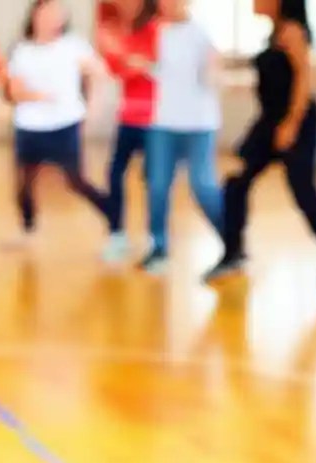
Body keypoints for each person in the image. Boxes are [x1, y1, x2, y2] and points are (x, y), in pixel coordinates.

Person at [204, 0, 316, 287]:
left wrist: (291, 124)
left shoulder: (293, 31)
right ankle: (234, 252)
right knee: (237, 183)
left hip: (297, 121)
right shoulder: (273, 33)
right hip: (269, 121)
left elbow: (304, 78)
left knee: (303, 191)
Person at [6, 0, 112, 243]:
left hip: (64, 124)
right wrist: (38, 96)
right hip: (29, 125)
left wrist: (92, 107)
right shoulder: (22, 49)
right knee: (24, 181)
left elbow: (100, 72)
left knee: (75, 180)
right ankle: (27, 227)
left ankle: (113, 215)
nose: (50, 18)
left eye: (55, 14)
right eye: (44, 13)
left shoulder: (73, 46)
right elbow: (14, 91)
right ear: (34, 16)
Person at [137, 0, 223, 274]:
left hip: (199, 124)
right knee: (158, 185)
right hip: (163, 122)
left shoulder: (202, 33)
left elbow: (210, 77)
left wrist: (214, 69)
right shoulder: (156, 31)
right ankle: (159, 247)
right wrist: (144, 66)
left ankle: (233, 241)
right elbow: (163, 72)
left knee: (203, 185)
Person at [96, 0, 159, 262]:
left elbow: (151, 67)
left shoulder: (156, 29)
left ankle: (156, 236)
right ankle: (117, 234)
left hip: (155, 119)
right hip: (128, 118)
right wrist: (123, 57)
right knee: (115, 173)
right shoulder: (122, 33)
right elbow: (120, 71)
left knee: (154, 179)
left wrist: (123, 55)